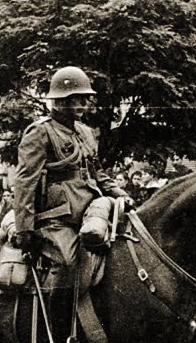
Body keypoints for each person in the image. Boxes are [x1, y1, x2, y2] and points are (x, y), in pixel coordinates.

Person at [12, 66, 130, 271]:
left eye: (86, 98)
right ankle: (51, 305)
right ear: (60, 101)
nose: (84, 104)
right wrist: (24, 231)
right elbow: (25, 182)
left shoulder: (86, 132)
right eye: (77, 98)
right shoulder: (41, 131)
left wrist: (120, 194)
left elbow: (97, 173)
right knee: (68, 264)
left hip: (91, 210)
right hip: (57, 218)